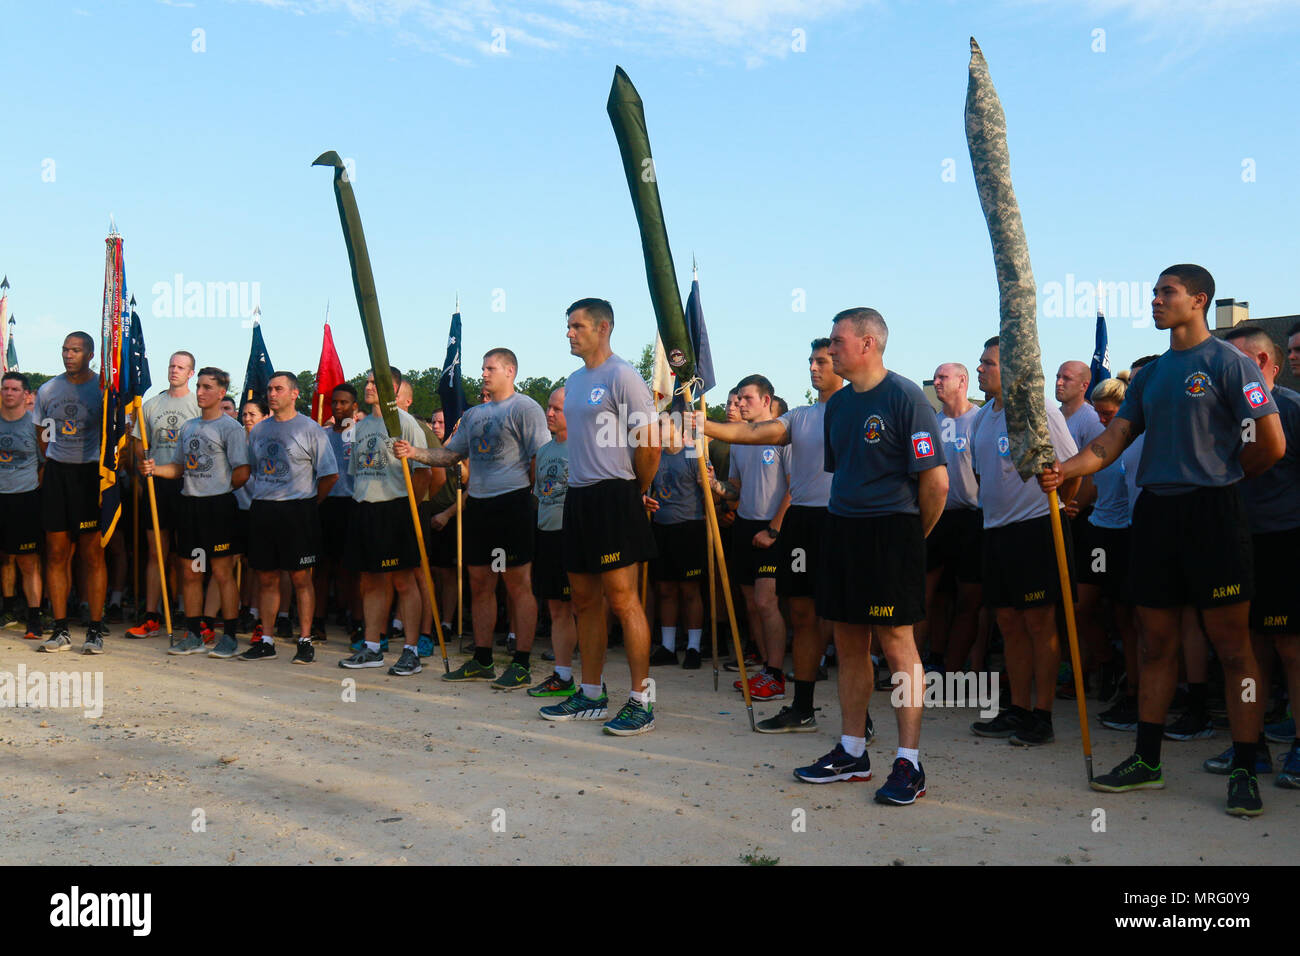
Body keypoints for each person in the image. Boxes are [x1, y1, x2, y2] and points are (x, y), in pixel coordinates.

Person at [1040, 264, 1284, 816]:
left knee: (1233, 647)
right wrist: (1065, 467)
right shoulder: (1150, 377)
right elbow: (1111, 441)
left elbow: (1270, 441)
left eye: (1165, 293)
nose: (1153, 301)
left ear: (1199, 301)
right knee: (1154, 643)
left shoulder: (1229, 362)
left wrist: (1225, 478)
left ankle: (1245, 765)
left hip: (1213, 513)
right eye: (1152, 293)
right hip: (1157, 515)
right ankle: (1146, 760)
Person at [792, 308, 948, 806]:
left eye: (837, 342)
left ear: (867, 344)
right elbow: (846, 474)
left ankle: (910, 761)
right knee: (848, 639)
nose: (830, 350)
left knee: (898, 643)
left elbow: (936, 483)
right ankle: (852, 750)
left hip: (891, 530)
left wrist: (910, 536)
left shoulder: (905, 397)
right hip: (843, 529)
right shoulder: (837, 407)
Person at [701, 339, 844, 733]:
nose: (813, 367)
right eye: (810, 360)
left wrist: (775, 527)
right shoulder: (791, 420)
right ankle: (784, 686)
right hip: (771, 523)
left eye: (822, 360)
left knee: (812, 611)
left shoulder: (856, 408)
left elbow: (790, 484)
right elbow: (743, 471)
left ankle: (842, 708)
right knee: (783, 609)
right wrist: (712, 466)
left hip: (816, 522)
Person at [535, 298, 660, 735]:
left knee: (624, 600)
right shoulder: (573, 379)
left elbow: (650, 443)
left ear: (603, 327)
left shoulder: (622, 374)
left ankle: (642, 699)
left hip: (614, 495)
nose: (569, 333)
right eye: (567, 326)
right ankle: (591, 694)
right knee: (583, 600)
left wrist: (634, 491)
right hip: (579, 496)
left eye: (577, 326)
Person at [396, 349, 548, 691]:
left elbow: (541, 454)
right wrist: (415, 452)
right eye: (482, 368)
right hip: (478, 504)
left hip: (512, 504)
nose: (483, 373)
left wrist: (532, 497)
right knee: (480, 583)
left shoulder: (526, 408)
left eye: (490, 368)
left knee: (517, 584)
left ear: (510, 370)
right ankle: (482, 660)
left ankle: (521, 663)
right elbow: (451, 454)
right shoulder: (475, 415)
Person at [967, 337, 1079, 746]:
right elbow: (982, 475)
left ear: (1012, 367)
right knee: (1008, 623)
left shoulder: (1039, 409)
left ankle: (1043, 714)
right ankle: (1017, 708)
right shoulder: (981, 417)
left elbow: (1069, 465)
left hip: (1036, 528)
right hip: (995, 530)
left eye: (989, 363)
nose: (980, 369)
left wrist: (1067, 503)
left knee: (1039, 623)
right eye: (980, 363)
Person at [1219, 326, 1300, 787]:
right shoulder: (1222, 414)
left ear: (1266, 364)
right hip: (1238, 543)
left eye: (1237, 363)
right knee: (1248, 651)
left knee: (1291, 648)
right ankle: (1252, 747)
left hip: (1285, 541)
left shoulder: (1289, 410)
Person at [140, 367, 250, 657]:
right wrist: (156, 469)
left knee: (222, 572)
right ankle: (193, 633)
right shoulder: (189, 426)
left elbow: (242, 471)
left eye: (207, 387)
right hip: (189, 505)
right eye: (199, 386)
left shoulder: (231, 428)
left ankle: (228, 635)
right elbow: (179, 467)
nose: (200, 392)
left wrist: (219, 489)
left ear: (221, 393)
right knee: (189, 572)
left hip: (219, 508)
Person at [240, 371, 339, 663]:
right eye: (269, 388)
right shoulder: (259, 430)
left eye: (278, 389)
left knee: (300, 578)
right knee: (266, 577)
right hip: (264, 509)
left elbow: (330, 475)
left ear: (294, 394)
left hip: (299, 510)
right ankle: (266, 640)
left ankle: (305, 640)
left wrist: (310, 502)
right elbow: (255, 470)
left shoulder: (310, 429)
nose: (272, 393)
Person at [704, 374, 791, 701]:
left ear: (766, 401)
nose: (739, 404)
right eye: (737, 398)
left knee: (767, 601)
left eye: (746, 398)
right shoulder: (741, 441)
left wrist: (774, 530)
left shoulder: (783, 435)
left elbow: (793, 489)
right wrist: (715, 485)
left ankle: (776, 674)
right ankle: (764, 668)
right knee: (752, 604)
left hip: (771, 530)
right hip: (743, 525)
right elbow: (734, 489)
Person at [338, 369, 430, 675]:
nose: (367, 387)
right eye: (366, 382)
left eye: (375, 383)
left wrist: (408, 509)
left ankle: (411, 650)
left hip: (395, 507)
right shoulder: (362, 427)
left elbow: (423, 472)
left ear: (393, 389)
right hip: (364, 507)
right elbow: (358, 471)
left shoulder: (405, 423)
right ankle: (372, 647)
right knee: (370, 580)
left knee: (403, 581)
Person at [36, 332, 109, 653]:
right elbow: (42, 432)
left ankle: (94, 628)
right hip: (57, 474)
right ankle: (60, 628)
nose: (69, 355)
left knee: (92, 553)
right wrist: (56, 457)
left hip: (90, 475)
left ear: (90, 354)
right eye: (65, 350)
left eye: (76, 350)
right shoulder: (48, 390)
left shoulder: (103, 389)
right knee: (55, 552)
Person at [1071, 377, 1138, 721]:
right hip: (1099, 535)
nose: (1101, 420)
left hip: (1127, 536)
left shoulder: (1137, 440)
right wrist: (1073, 504)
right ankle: (1107, 663)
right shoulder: (1103, 441)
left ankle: (1133, 687)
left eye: (1107, 413)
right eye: (1097, 413)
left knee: (1126, 616)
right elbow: (1092, 485)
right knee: (1083, 607)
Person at [127, 352, 199, 640]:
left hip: (188, 484)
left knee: (188, 554)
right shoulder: (152, 404)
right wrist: (143, 465)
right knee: (156, 551)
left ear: (191, 373)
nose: (174, 371)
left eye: (181, 367)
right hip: (157, 484)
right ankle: (152, 615)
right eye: (171, 365)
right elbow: (136, 440)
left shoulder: (197, 404)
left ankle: (188, 612)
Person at [921, 362, 983, 674]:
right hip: (937, 517)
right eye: (935, 378)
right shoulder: (932, 423)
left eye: (943, 377)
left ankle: (955, 669)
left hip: (972, 519)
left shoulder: (980, 419)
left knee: (969, 599)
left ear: (962, 381)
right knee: (929, 595)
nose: (937, 382)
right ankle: (924, 661)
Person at [529, 387, 581, 696]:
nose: (549, 413)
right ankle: (562, 675)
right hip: (546, 534)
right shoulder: (545, 451)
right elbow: (539, 495)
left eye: (556, 409)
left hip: (572, 536)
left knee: (579, 606)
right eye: (548, 407)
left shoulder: (584, 448)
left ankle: (591, 680)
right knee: (556, 608)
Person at [646, 406, 707, 670]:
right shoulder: (653, 456)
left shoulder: (692, 453)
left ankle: (693, 647)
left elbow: (708, 489)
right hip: (662, 526)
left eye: (663, 425)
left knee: (690, 589)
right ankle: (668, 646)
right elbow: (645, 488)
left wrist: (711, 486)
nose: (658, 430)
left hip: (689, 527)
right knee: (665, 589)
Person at [0, 371, 43, 641]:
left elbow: (46, 462)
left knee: (28, 562)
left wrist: (33, 488)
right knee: (4, 558)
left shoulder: (34, 425)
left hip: (25, 497)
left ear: (26, 394)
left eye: (14, 389)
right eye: (5, 389)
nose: (8, 393)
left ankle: (34, 617)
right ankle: (7, 610)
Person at [316, 384, 360, 646]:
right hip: (326, 504)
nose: (338, 406)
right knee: (321, 569)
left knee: (351, 570)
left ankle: (355, 621)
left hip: (352, 505)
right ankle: (318, 622)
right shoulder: (321, 435)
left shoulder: (361, 434)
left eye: (344, 402)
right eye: (335, 402)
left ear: (355, 407)